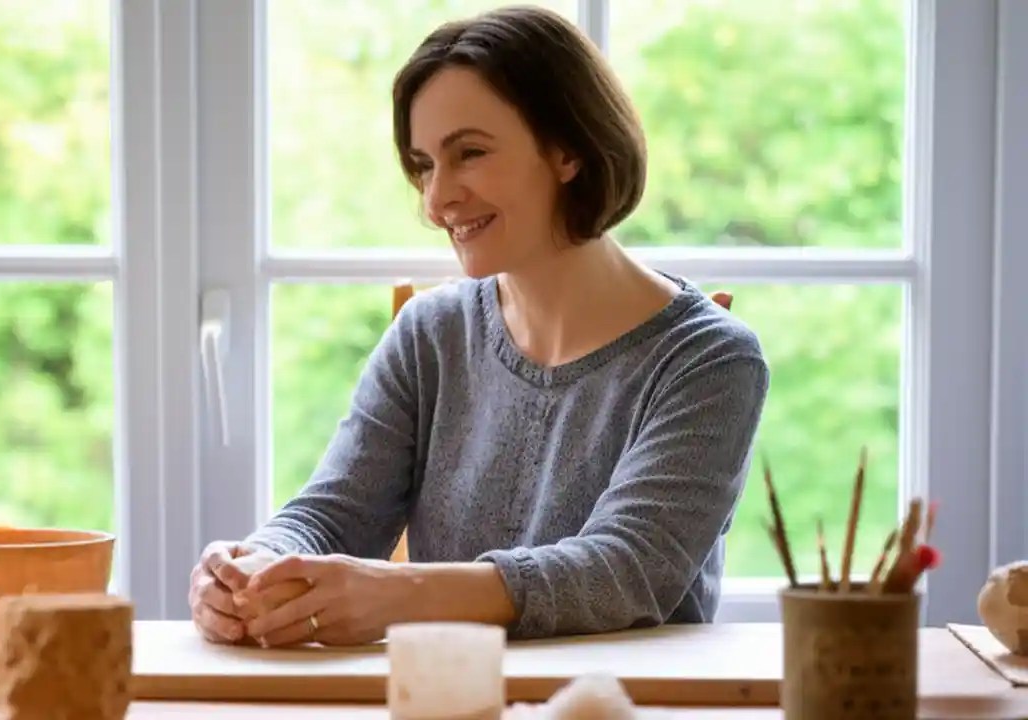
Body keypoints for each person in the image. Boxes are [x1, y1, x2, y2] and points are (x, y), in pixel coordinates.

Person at [187, 4, 769, 648]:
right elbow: (332, 515)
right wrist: (253, 567)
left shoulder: (710, 359)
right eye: (425, 164)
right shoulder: (428, 335)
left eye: (469, 153)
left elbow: (626, 571)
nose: (437, 201)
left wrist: (401, 595)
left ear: (568, 149)